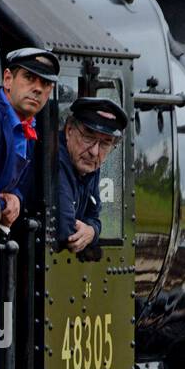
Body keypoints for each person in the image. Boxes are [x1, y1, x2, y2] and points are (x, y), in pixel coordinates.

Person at [0, 47, 60, 228]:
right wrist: (4, 202)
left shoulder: (29, 127)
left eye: (45, 84)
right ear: (8, 79)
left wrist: (17, 198)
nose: (37, 88)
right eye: (29, 78)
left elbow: (20, 186)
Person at [57, 96, 128, 254]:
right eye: (88, 138)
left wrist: (91, 231)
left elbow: (94, 215)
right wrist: (89, 230)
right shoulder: (56, 159)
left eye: (105, 143)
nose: (94, 151)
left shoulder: (88, 165)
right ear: (69, 130)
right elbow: (66, 231)